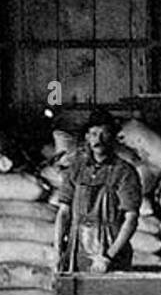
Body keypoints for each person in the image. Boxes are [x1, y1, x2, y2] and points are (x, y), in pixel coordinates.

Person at [54, 109, 142, 273]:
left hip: (111, 253)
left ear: (113, 137)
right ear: (87, 137)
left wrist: (108, 257)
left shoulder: (124, 172)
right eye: (94, 134)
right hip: (77, 251)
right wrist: (58, 251)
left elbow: (131, 219)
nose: (98, 140)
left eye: (104, 134)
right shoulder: (75, 169)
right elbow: (63, 213)